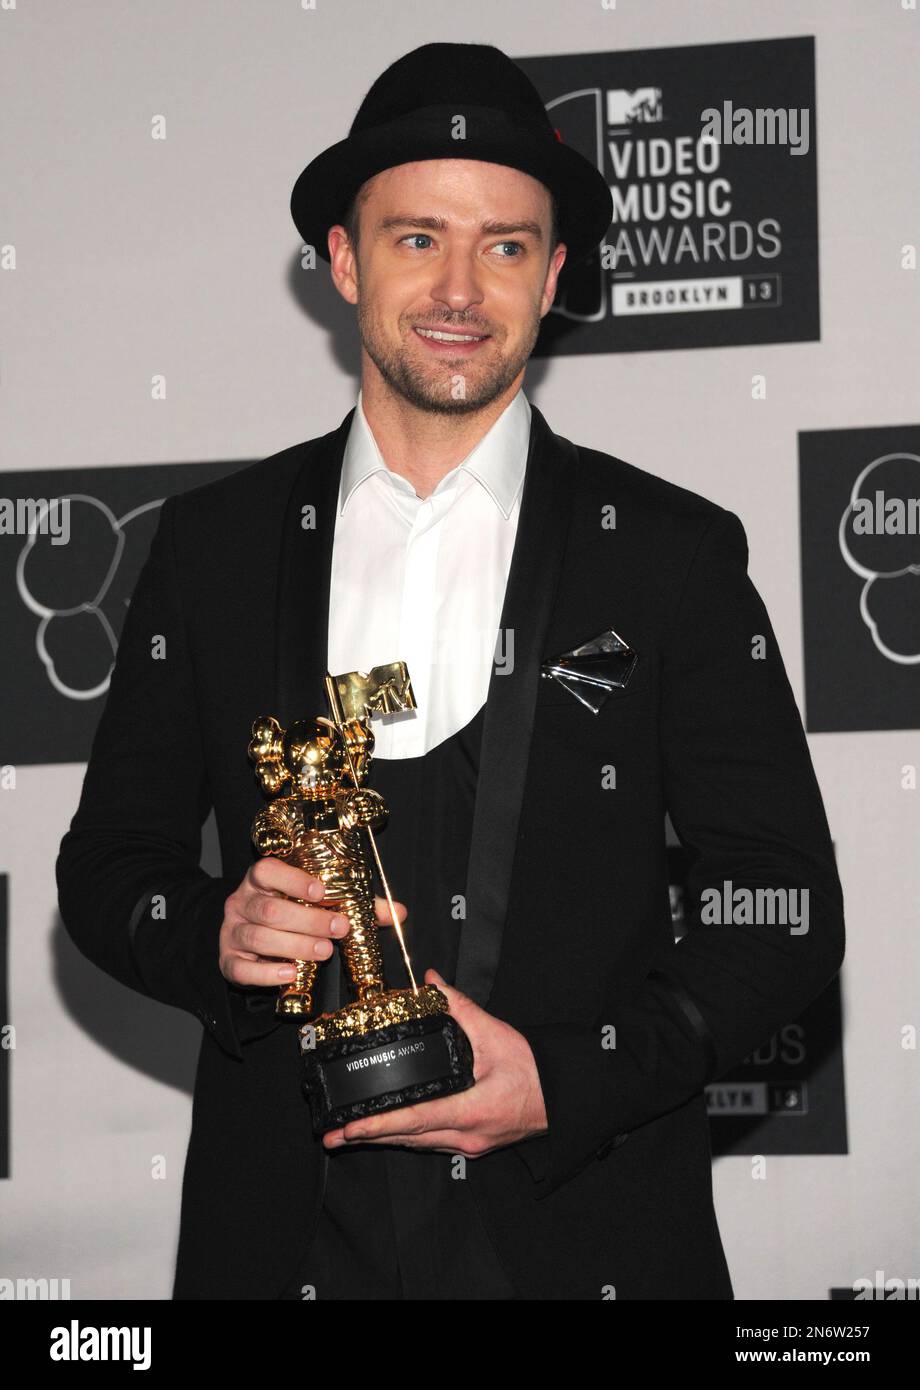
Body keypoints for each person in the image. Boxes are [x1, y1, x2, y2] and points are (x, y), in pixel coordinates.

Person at [56, 41, 845, 1300]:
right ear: (344, 259)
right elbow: (105, 864)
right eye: (418, 237)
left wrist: (568, 1079)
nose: (461, 289)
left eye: (506, 244)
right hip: (278, 1247)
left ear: (555, 273)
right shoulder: (212, 551)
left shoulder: (666, 556)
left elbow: (783, 903)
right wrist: (216, 928)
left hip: (586, 1246)